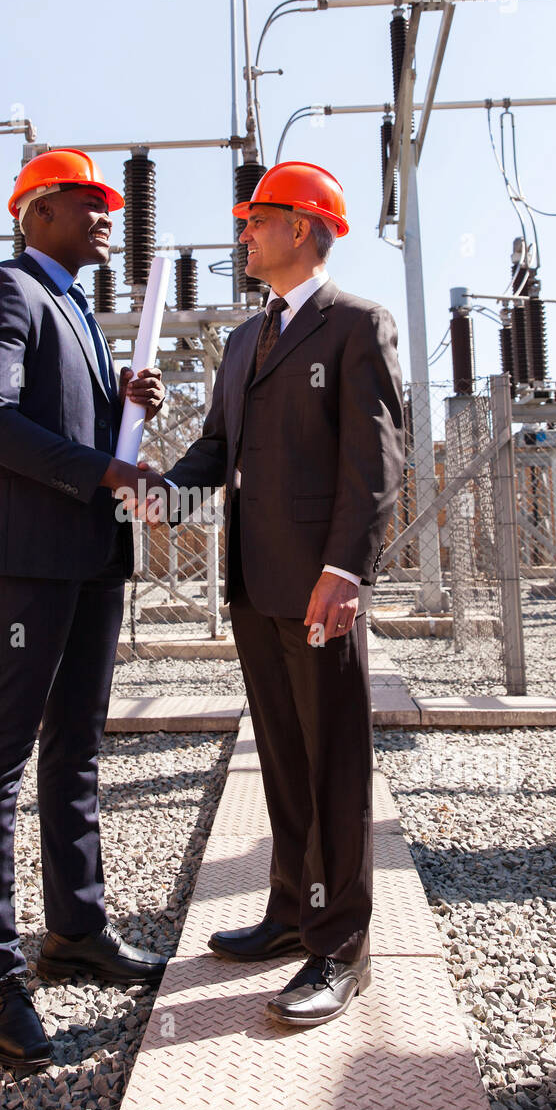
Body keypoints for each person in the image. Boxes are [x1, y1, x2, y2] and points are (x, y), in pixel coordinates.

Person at [148, 161, 404, 1028]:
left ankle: (341, 948)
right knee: (285, 755)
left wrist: (346, 569)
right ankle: (294, 911)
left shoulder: (357, 326)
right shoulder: (241, 341)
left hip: (318, 586)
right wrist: (158, 494)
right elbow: (216, 451)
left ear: (302, 226)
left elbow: (374, 462)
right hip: (257, 584)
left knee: (334, 763)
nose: (242, 233)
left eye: (255, 219)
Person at [0, 149, 169, 1072]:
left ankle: (75, 928)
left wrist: (119, 409)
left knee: (76, 740)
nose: (106, 215)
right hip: (26, 558)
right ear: (35, 212)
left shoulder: (75, 306)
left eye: (111, 205)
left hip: (85, 555)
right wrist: (104, 468)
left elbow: (57, 416)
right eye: (88, 201)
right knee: (2, 749)